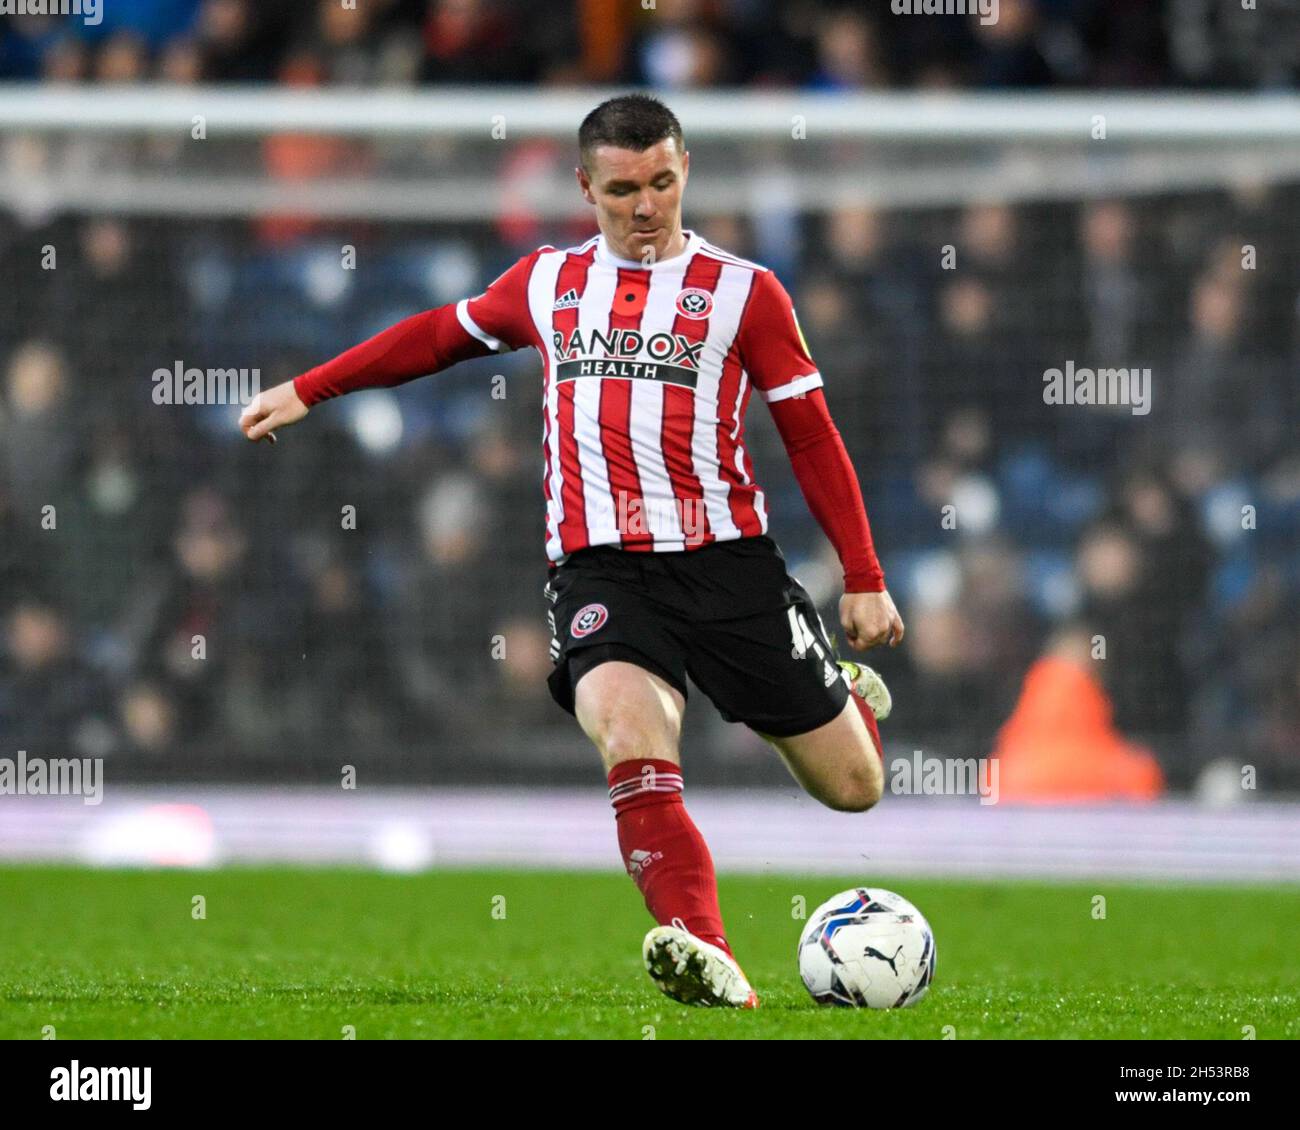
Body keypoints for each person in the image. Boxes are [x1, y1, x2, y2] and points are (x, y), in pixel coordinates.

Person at [240, 93, 904, 1008]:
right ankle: (708, 953)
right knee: (629, 733)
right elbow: (436, 336)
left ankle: (833, 687)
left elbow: (812, 435)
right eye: (625, 188)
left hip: (727, 565)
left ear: (685, 175)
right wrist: (314, 388)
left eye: (663, 182)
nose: (646, 206)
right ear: (585, 187)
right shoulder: (546, 283)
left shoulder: (747, 292)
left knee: (855, 789)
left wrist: (864, 578)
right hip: (599, 571)